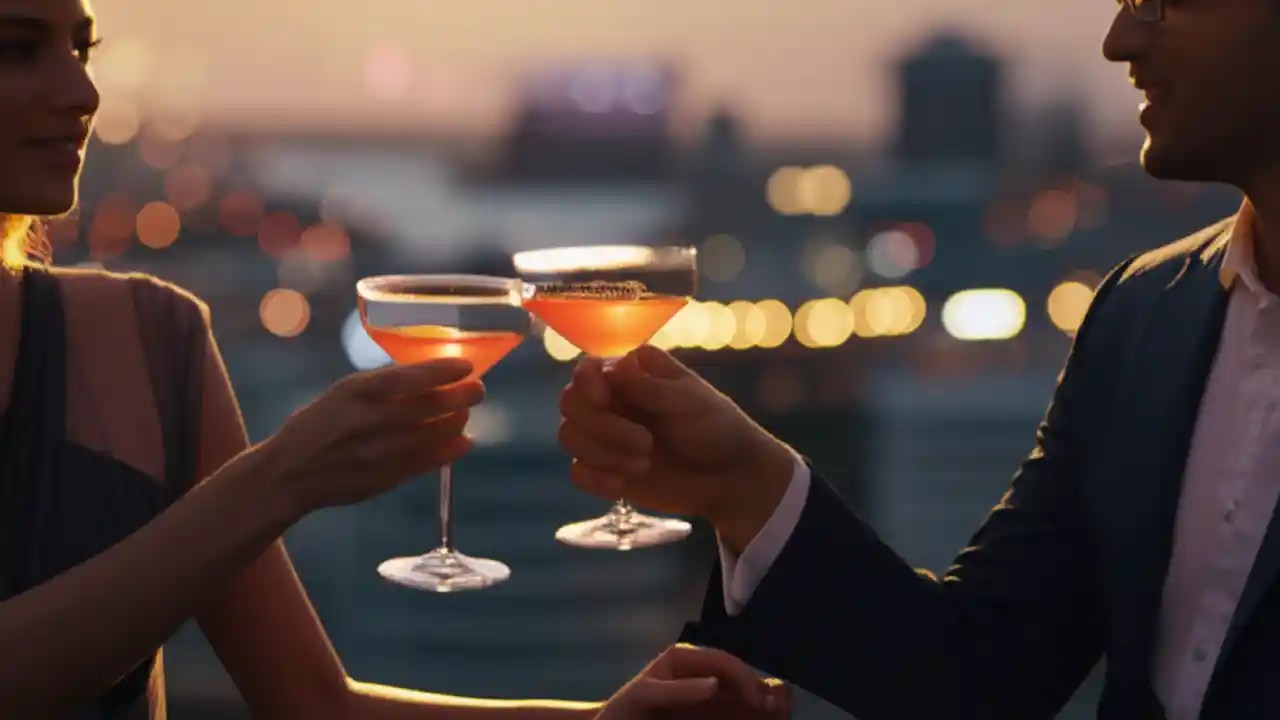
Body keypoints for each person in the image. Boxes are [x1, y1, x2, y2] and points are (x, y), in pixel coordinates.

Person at [0, 0, 793, 718]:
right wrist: (283, 478)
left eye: (82, 47)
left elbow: (315, 704)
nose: (82, 93)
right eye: (17, 49)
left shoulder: (148, 337)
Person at [555, 0, 1280, 717]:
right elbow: (973, 679)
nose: (1119, 42)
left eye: (1162, 2)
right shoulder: (1147, 314)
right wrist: (746, 484)